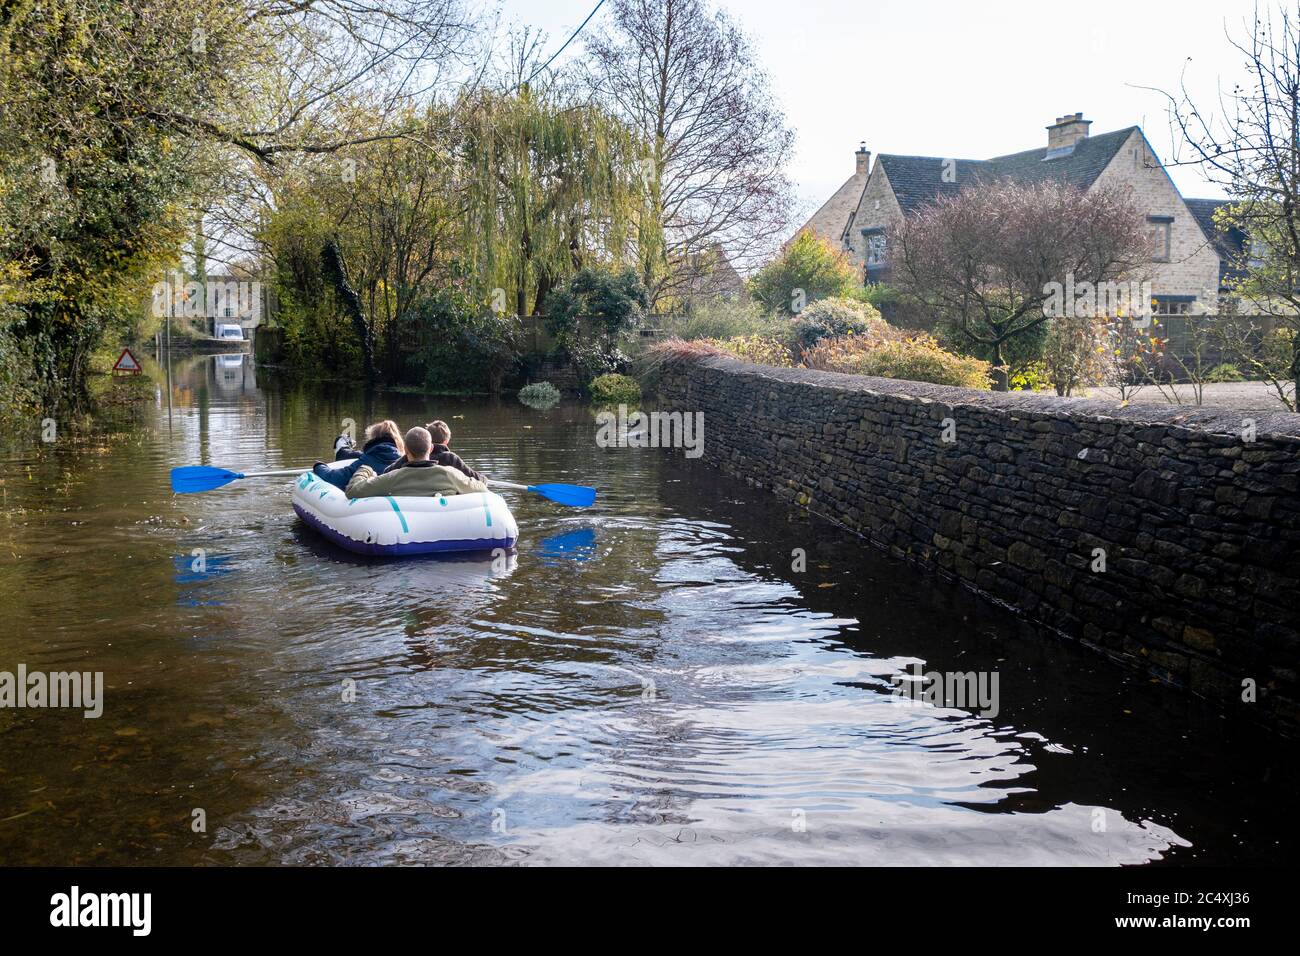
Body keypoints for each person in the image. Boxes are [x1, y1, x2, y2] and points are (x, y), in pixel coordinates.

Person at [346, 426, 488, 499]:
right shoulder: (450, 474)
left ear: (405, 450)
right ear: (431, 448)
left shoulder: (392, 478)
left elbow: (353, 492)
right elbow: (481, 487)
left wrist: (365, 469)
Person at [382, 419, 485, 481]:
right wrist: (483, 478)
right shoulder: (449, 458)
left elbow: (385, 474)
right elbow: (477, 479)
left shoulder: (407, 459)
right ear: (446, 441)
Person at [314, 420, 404, 490]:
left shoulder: (367, 460)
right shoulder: (404, 461)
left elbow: (335, 478)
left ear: (373, 439)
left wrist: (319, 466)